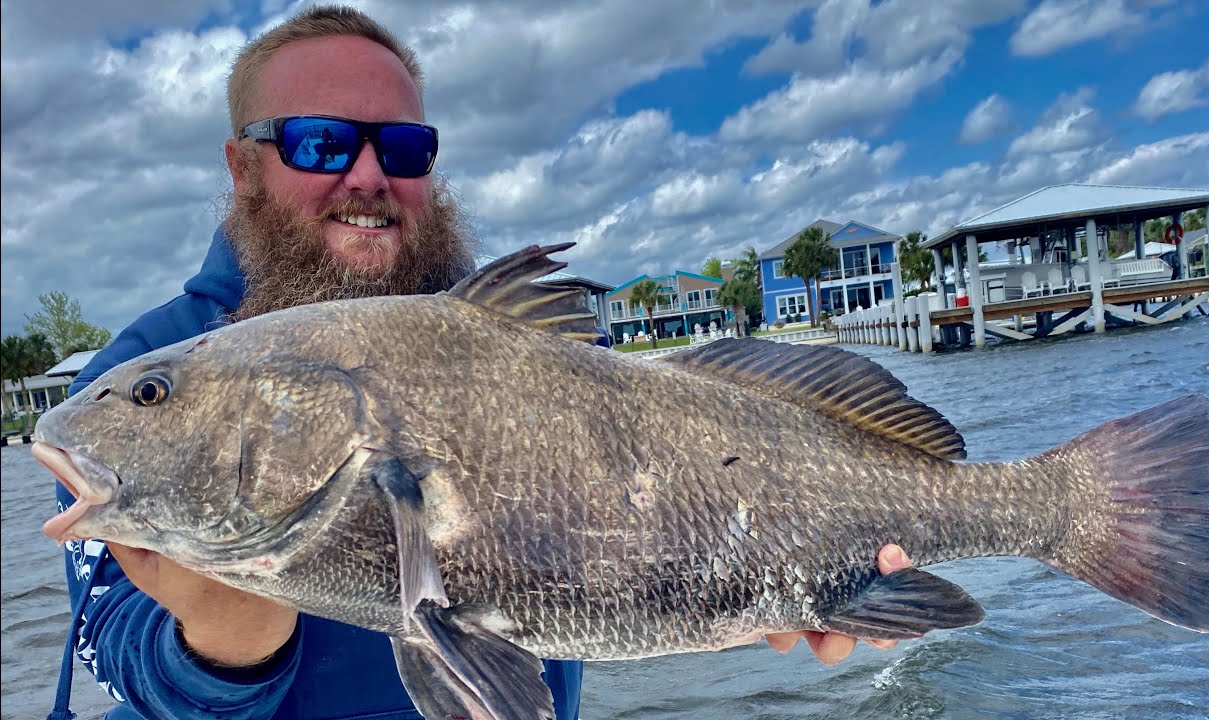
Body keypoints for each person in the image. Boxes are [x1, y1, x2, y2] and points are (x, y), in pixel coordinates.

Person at [47, 6, 913, 720]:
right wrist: (221, 638)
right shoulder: (125, 396)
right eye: (318, 142)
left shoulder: (535, 341)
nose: (368, 173)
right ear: (242, 167)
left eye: (404, 147)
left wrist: (777, 587)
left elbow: (678, 495)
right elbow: (120, 659)